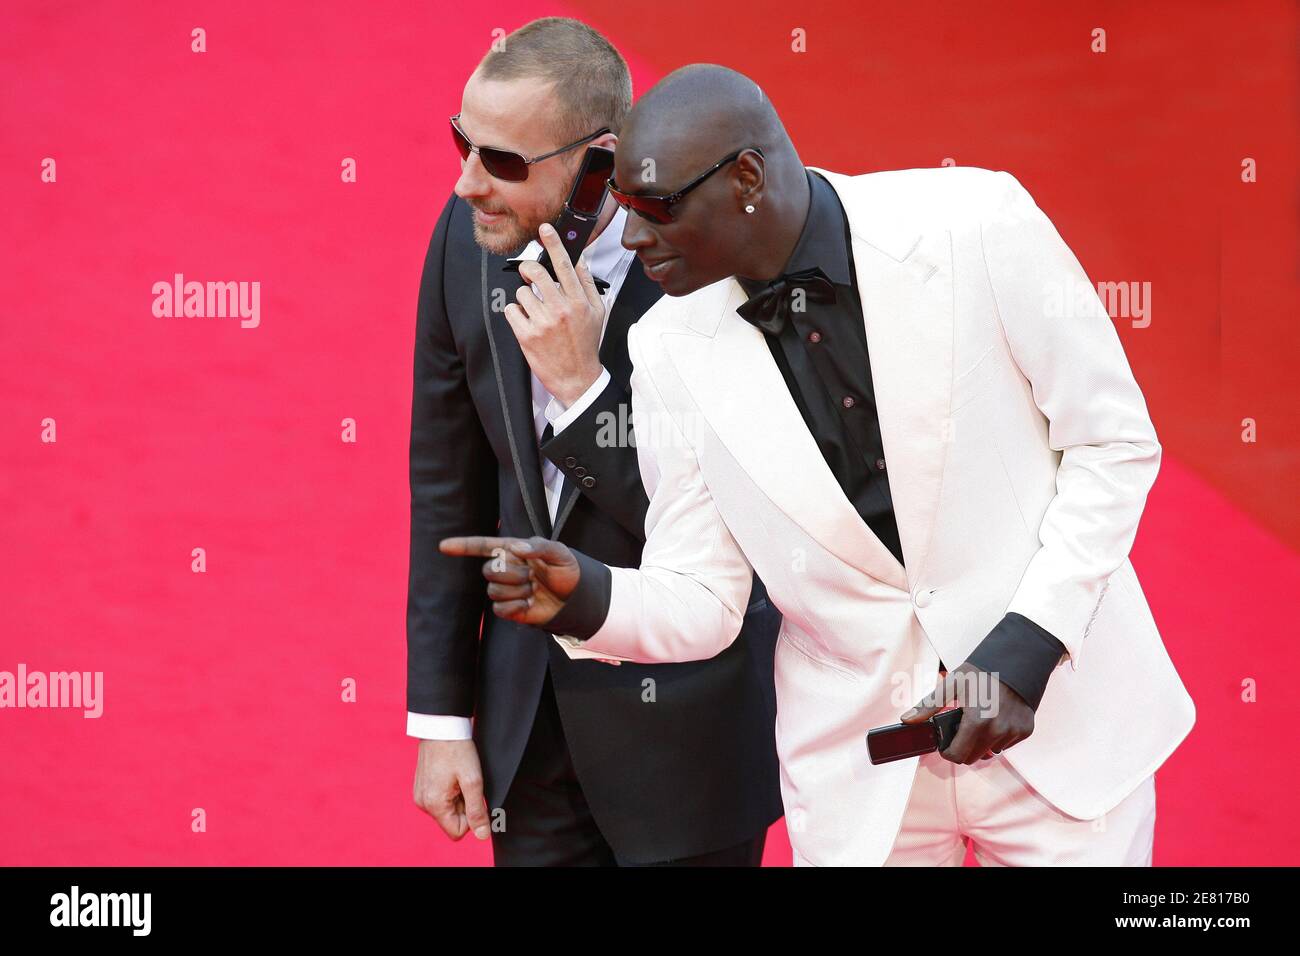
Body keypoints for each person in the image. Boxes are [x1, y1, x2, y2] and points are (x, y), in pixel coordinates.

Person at [442, 63, 1197, 866]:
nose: (632, 239)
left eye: (658, 210)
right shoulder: (666, 345)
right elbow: (704, 595)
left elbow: (1111, 442)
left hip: (1058, 735)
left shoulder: (977, 223)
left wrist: (1030, 643)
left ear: (746, 178)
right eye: (626, 211)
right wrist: (587, 596)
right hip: (862, 778)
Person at [407, 24, 783, 866]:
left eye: (503, 160)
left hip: (687, 740)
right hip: (526, 733)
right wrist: (441, 720)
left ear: (600, 164)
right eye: (462, 144)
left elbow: (722, 535)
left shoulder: (715, 269)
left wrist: (582, 395)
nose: (467, 184)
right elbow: (446, 486)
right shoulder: (467, 240)